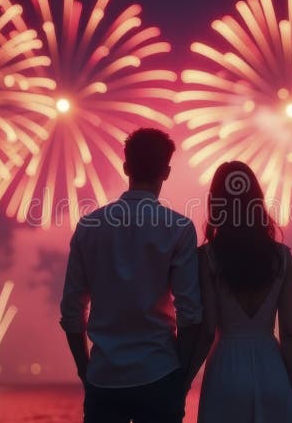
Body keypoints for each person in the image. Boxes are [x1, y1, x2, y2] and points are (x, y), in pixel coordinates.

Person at [60, 128, 202, 423]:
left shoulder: (88, 226)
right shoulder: (179, 228)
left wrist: (84, 370)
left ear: (126, 167)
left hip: (103, 377)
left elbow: (72, 311)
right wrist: (182, 376)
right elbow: (189, 314)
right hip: (159, 372)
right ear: (166, 171)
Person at [188, 161, 292, 423]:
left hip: (225, 371)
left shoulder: (206, 257)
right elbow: (288, 331)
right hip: (273, 372)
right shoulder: (282, 257)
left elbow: (208, 331)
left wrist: (182, 383)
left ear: (216, 203)